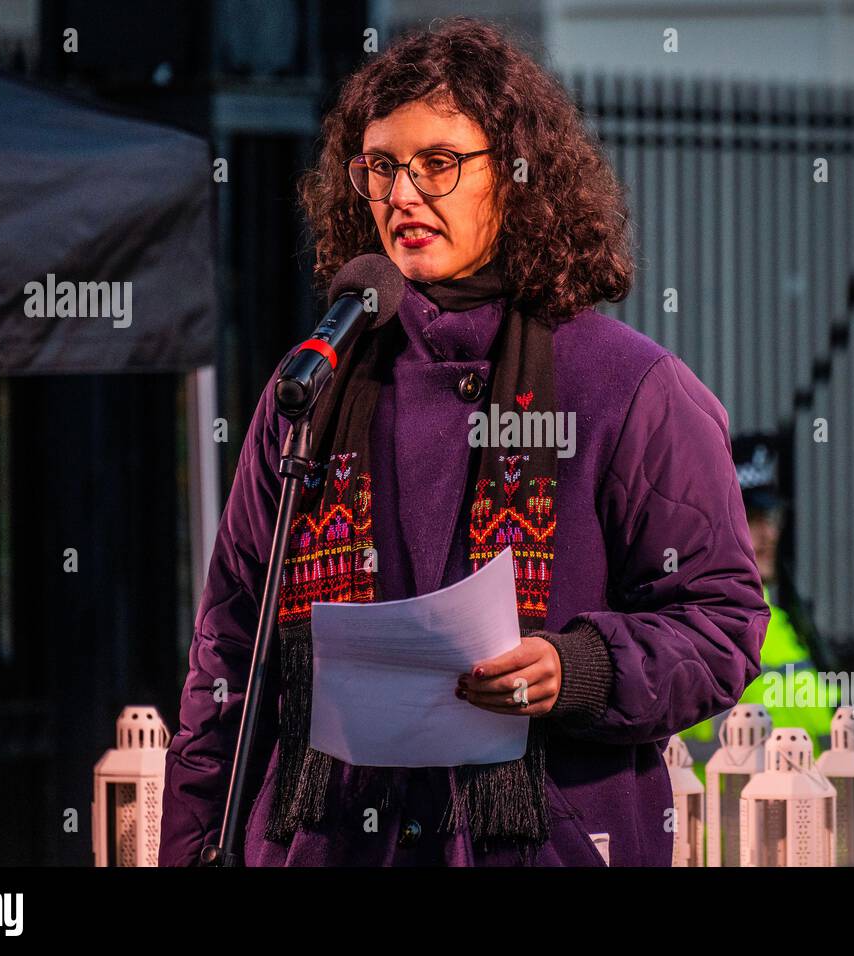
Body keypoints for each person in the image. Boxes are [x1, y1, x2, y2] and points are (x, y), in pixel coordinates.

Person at [158, 19, 767, 867]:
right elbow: (228, 653)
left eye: (439, 163)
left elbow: (720, 624)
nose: (403, 194)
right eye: (379, 166)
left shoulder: (629, 387)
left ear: (516, 177)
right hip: (325, 843)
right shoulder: (313, 383)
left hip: (540, 842)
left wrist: (577, 665)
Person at [680, 436, 834, 777]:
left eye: (771, 516)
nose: (769, 534)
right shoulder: (689, 625)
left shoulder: (778, 621)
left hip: (801, 818)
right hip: (722, 827)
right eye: (751, 517)